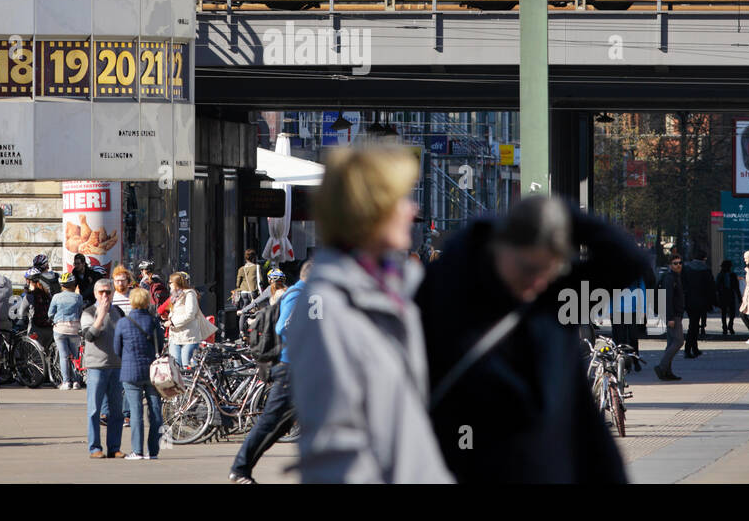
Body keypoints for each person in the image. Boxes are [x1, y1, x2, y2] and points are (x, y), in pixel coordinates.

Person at [418, 196, 646, 482]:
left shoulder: (547, 296)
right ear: (499, 247)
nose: (536, 282)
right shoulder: (447, 292)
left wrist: (559, 215)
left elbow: (629, 261)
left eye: (548, 271)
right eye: (528, 269)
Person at [287, 145, 453, 483]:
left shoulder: (398, 288)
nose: (413, 209)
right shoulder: (331, 305)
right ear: (368, 210)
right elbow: (334, 444)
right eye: (400, 199)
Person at [229, 260, 311, 483]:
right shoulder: (297, 293)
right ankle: (240, 468)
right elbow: (283, 326)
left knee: (282, 423)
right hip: (291, 368)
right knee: (270, 421)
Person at [113, 287, 164, 460]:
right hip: (152, 372)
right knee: (156, 410)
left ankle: (137, 451)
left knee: (135, 412)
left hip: (130, 371)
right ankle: (154, 451)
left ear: (132, 302)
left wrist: (126, 358)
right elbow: (161, 344)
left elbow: (116, 349)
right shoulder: (154, 321)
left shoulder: (123, 322)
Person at [81, 278, 125, 459]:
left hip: (116, 366)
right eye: (102, 292)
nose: (105, 296)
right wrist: (101, 315)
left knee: (116, 411)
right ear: (95, 294)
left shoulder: (119, 312)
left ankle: (114, 447)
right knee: (94, 409)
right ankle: (94, 448)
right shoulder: (89, 312)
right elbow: (89, 336)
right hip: (96, 366)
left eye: (108, 292)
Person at [167, 271, 212, 369]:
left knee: (187, 365)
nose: (169, 285)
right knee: (175, 366)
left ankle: (192, 383)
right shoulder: (174, 296)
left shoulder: (190, 294)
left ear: (177, 283)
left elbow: (190, 314)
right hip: (175, 336)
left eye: (170, 282)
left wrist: (173, 322)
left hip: (188, 336)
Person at [47, 275, 85, 390]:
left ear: (61, 285)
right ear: (73, 284)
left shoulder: (56, 297)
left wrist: (53, 319)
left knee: (64, 356)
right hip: (74, 328)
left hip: (60, 329)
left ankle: (66, 382)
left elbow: (50, 313)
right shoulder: (78, 297)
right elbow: (79, 312)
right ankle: (76, 382)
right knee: (75, 355)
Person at [655, 254, 686, 381]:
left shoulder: (676, 277)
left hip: (676, 314)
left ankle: (667, 371)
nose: (678, 265)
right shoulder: (669, 278)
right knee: (679, 341)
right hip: (673, 315)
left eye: (680, 263)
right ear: (670, 265)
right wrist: (670, 318)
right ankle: (662, 367)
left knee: (671, 343)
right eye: (675, 263)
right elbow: (667, 299)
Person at [682, 252, 716, 358]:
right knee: (694, 325)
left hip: (689, 300)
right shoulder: (705, 270)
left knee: (693, 324)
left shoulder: (686, 269)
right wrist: (713, 302)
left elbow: (683, 284)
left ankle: (693, 348)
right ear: (704, 259)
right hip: (701, 300)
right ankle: (689, 349)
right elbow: (710, 287)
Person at [716, 260, 741, 336]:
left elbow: (736, 287)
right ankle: (724, 327)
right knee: (724, 312)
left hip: (730, 294)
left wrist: (739, 297)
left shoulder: (732, 275)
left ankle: (730, 325)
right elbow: (717, 286)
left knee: (732, 312)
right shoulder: (720, 275)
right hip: (723, 295)